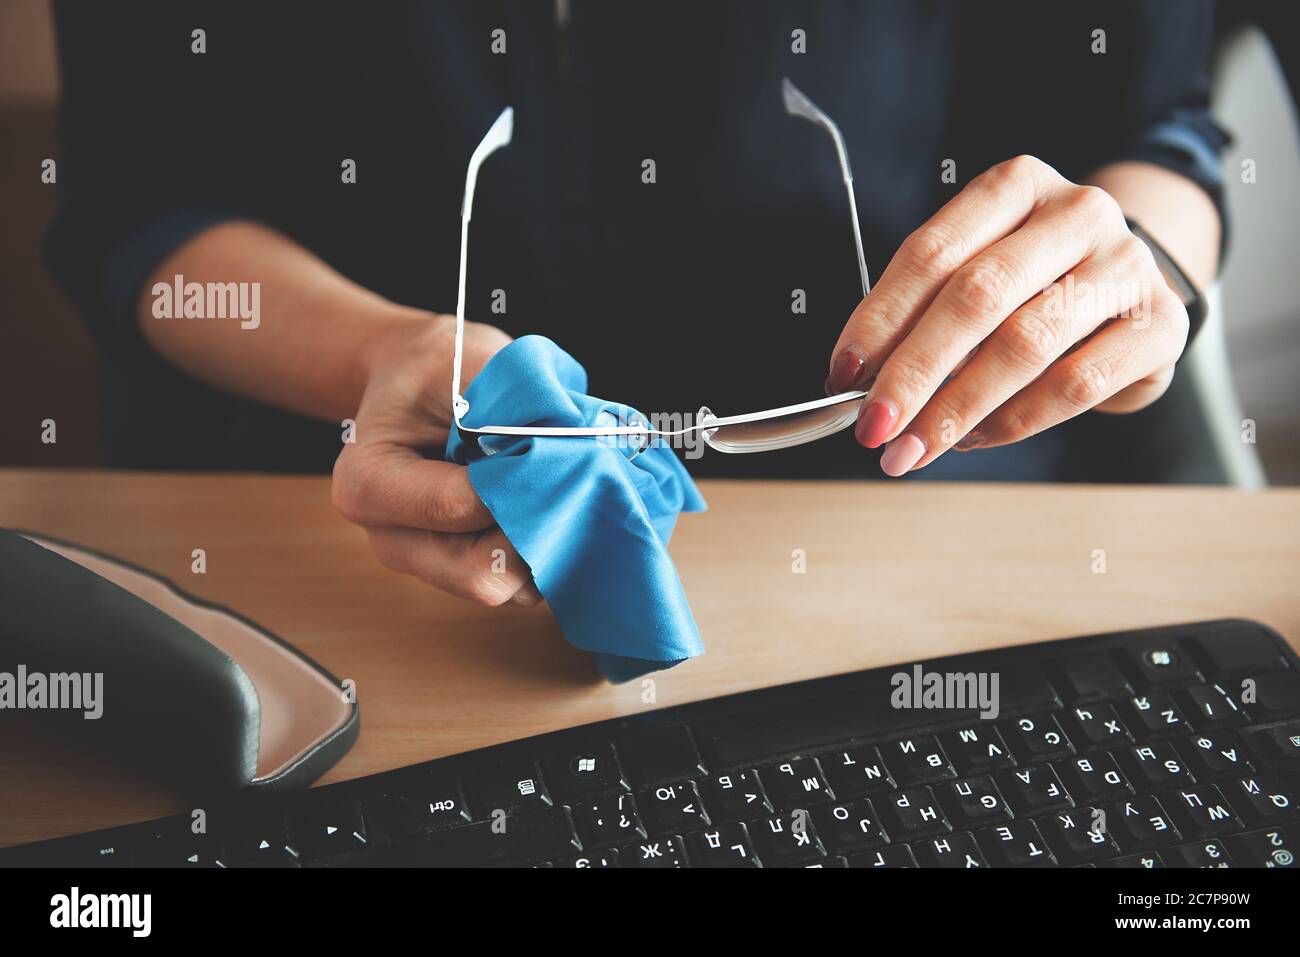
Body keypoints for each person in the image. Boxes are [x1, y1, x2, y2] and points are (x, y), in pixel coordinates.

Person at [47, 1, 1227, 607]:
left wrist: (1142, 269)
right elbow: (133, 199)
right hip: (355, 567)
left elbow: (1154, 134)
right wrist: (371, 356)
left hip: (923, 535)